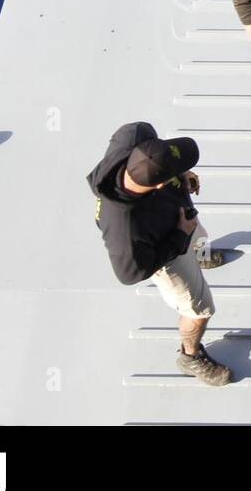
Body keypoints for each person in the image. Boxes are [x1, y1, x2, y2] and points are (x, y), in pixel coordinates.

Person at [87, 122, 232, 386]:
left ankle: (199, 255)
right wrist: (179, 236)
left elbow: (144, 137)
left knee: (199, 236)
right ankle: (190, 356)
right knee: (200, 311)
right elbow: (131, 274)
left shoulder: (133, 139)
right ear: (160, 184)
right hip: (168, 256)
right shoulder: (125, 231)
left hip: (181, 220)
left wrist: (181, 170)